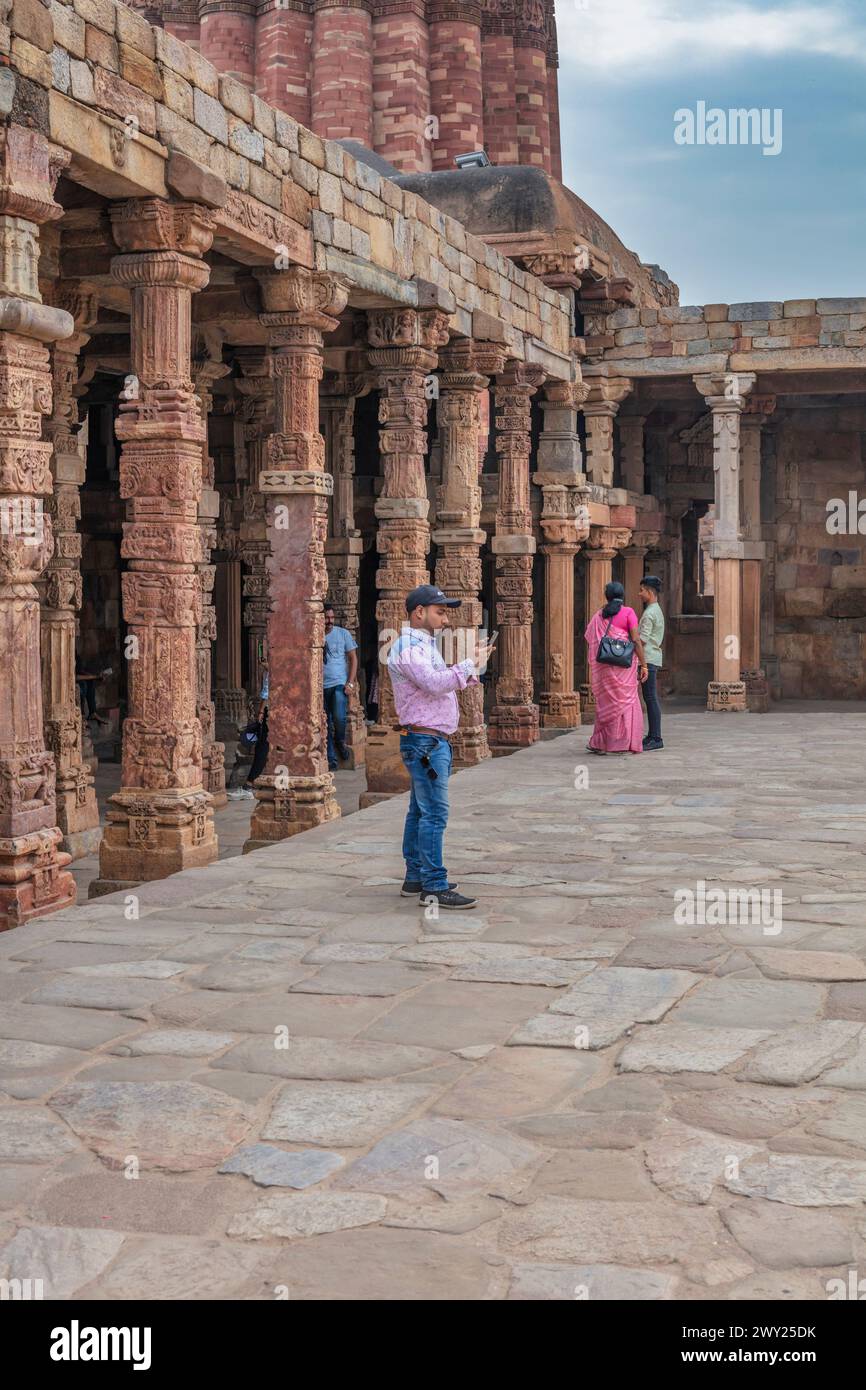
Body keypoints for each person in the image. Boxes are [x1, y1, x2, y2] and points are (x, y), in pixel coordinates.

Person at [387, 584, 494, 910]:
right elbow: (433, 683)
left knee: (420, 810)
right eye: (440, 611)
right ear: (419, 612)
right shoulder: (407, 648)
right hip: (425, 741)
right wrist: (468, 664)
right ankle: (433, 885)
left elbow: (438, 680)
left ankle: (416, 876)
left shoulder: (422, 645)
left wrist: (470, 666)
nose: (445, 618)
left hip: (429, 739)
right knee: (434, 813)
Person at [584, 581, 648, 755]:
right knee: (625, 704)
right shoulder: (628, 613)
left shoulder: (599, 616)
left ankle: (601, 742)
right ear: (623, 595)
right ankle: (621, 743)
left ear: (607, 596)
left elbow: (590, 638)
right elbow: (635, 640)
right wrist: (644, 664)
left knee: (607, 703)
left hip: (604, 666)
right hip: (623, 667)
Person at [323, 603, 358, 771]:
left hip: (339, 683)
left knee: (339, 717)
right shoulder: (314, 635)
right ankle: (331, 759)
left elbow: (353, 658)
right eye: (326, 618)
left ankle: (340, 741)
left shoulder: (342, 634)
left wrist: (350, 682)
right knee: (325, 723)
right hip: (320, 686)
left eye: (331, 618)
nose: (329, 621)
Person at [228, 662, 269, 800]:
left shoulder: (277, 664)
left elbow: (267, 691)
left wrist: (261, 711)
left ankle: (249, 786)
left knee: (263, 748)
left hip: (273, 709)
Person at [638, 575, 665, 751]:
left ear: (649, 591)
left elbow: (642, 640)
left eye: (641, 590)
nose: (639, 593)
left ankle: (656, 737)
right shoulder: (656, 610)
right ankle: (653, 735)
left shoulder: (649, 613)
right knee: (650, 698)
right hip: (652, 658)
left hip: (647, 659)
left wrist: (629, 640)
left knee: (650, 698)